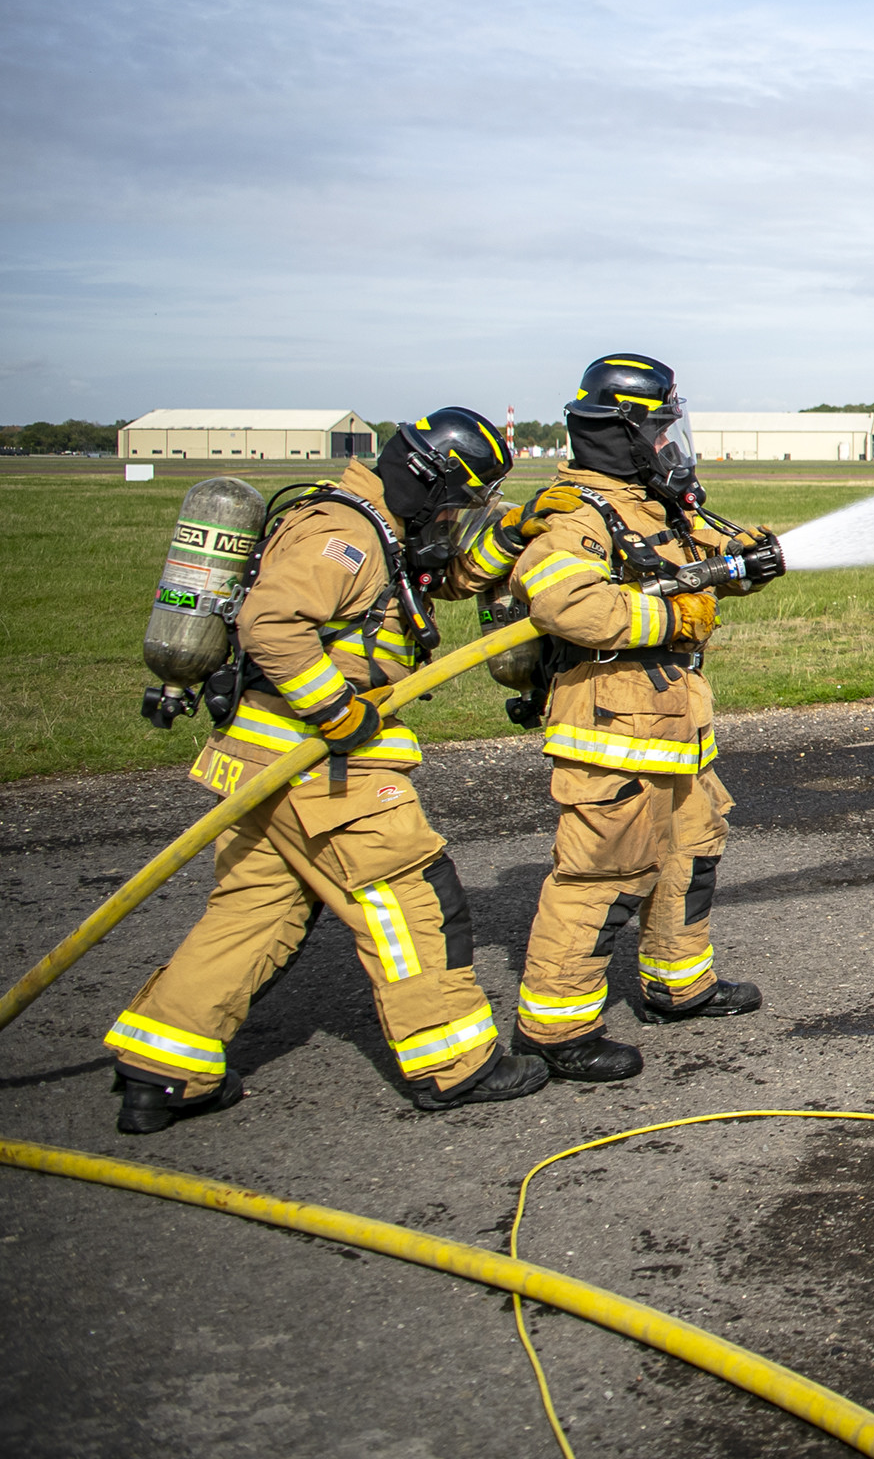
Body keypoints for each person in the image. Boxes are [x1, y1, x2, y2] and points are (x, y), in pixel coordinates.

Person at [105, 409, 551, 1131]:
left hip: (264, 762)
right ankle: (455, 1065)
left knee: (255, 911)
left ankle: (162, 1070)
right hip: (321, 768)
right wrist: (338, 713)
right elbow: (272, 625)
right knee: (411, 901)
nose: (451, 518)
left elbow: (430, 583)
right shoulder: (345, 537)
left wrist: (509, 531)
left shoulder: (371, 523)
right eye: (454, 503)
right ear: (423, 482)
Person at [505, 353, 784, 1083]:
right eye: (659, 429)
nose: (669, 444)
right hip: (612, 724)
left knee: (691, 850)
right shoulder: (575, 512)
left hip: (672, 722)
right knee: (604, 872)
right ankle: (556, 1028)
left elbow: (690, 567)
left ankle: (677, 985)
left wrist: (745, 560)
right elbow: (564, 602)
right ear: (620, 430)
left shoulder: (645, 504)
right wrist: (670, 616)